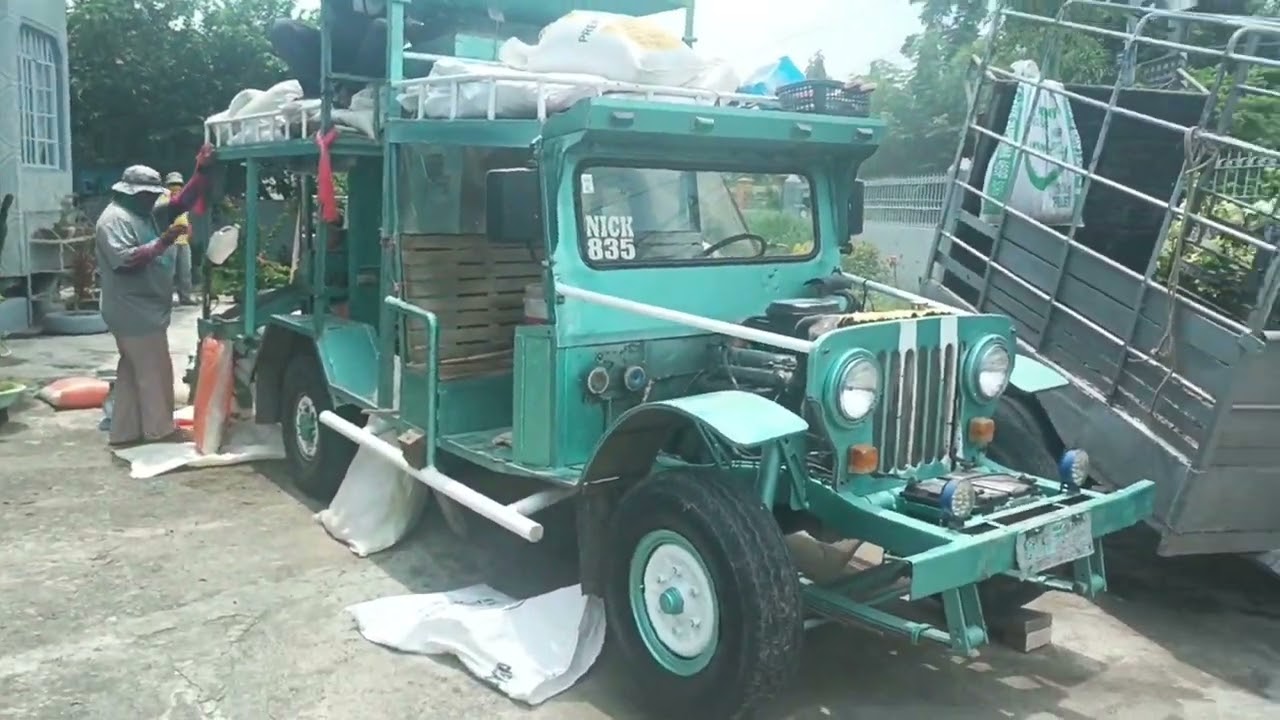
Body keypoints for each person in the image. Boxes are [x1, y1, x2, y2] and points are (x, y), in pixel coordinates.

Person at [95, 147, 214, 447]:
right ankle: (160, 430)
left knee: (132, 373)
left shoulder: (146, 213)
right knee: (154, 371)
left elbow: (183, 201)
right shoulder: (114, 220)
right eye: (146, 194)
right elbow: (126, 261)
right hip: (132, 310)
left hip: (145, 307)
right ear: (130, 193)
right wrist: (164, 241)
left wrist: (201, 170)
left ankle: (124, 431)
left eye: (153, 194)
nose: (152, 199)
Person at [268, 1, 440, 101]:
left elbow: (412, 29)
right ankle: (316, 93)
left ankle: (348, 92)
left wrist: (417, 26)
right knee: (282, 28)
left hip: (366, 62)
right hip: (330, 53)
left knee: (384, 27)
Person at [163, 172, 198, 306]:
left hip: (183, 240)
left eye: (178, 185)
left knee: (185, 270)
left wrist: (189, 227)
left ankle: (185, 297)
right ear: (167, 185)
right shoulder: (163, 199)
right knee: (168, 272)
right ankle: (165, 298)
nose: (176, 187)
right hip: (169, 240)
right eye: (173, 184)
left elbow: (185, 217)